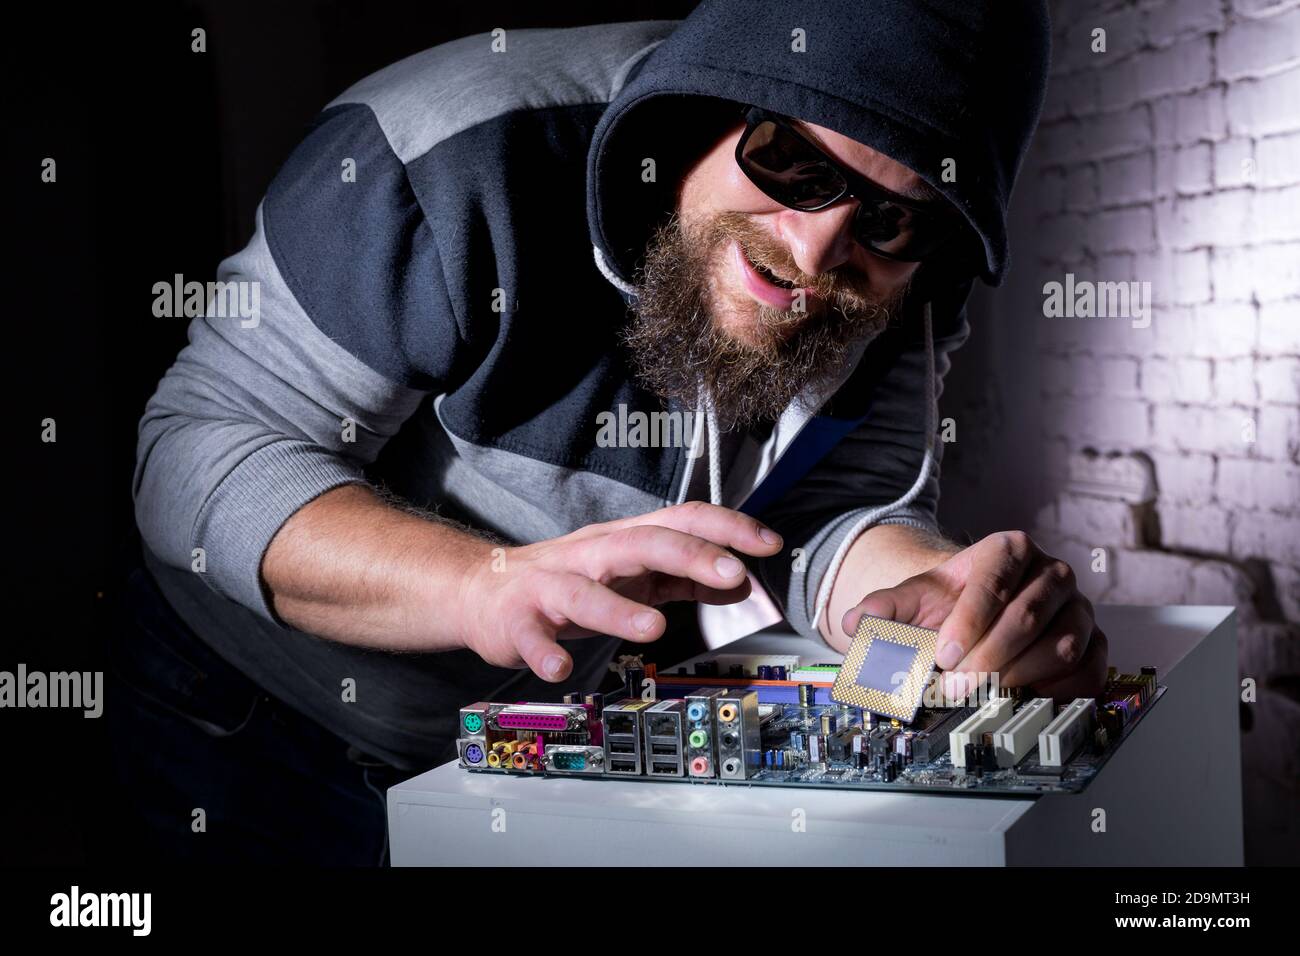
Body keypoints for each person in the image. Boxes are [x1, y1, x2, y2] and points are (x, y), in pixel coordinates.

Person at [120, 0, 1105, 864]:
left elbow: (835, 511)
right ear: (703, 102)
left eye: (890, 217)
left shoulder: (893, 275)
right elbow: (194, 451)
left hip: (516, 749)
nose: (814, 249)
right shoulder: (444, 153)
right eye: (791, 161)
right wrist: (479, 584)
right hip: (250, 724)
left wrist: (920, 605)